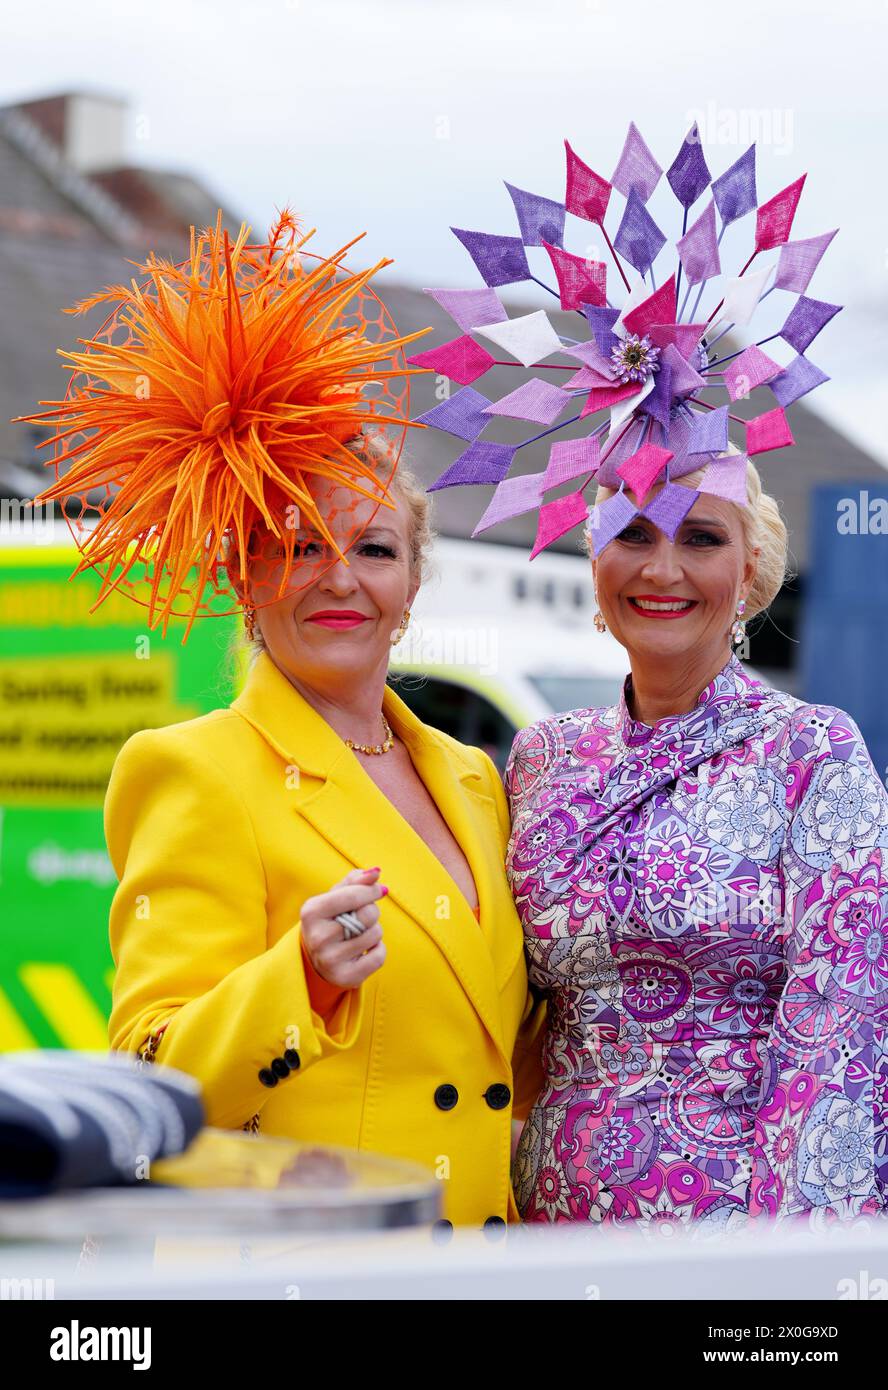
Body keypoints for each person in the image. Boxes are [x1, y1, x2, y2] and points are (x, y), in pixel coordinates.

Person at [20, 210, 545, 1228]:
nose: (340, 578)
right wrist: (295, 977)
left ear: (414, 583)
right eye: (298, 546)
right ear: (242, 577)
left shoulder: (474, 780)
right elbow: (154, 1075)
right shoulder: (194, 769)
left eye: (376, 550)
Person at [411, 119, 887, 1224]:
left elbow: (841, 1033)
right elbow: (499, 1011)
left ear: (752, 570)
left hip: (733, 1244)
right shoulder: (541, 758)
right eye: (632, 532)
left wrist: (786, 1283)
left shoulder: (814, 755)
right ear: (594, 558)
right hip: (546, 1222)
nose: (662, 568)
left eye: (701, 538)